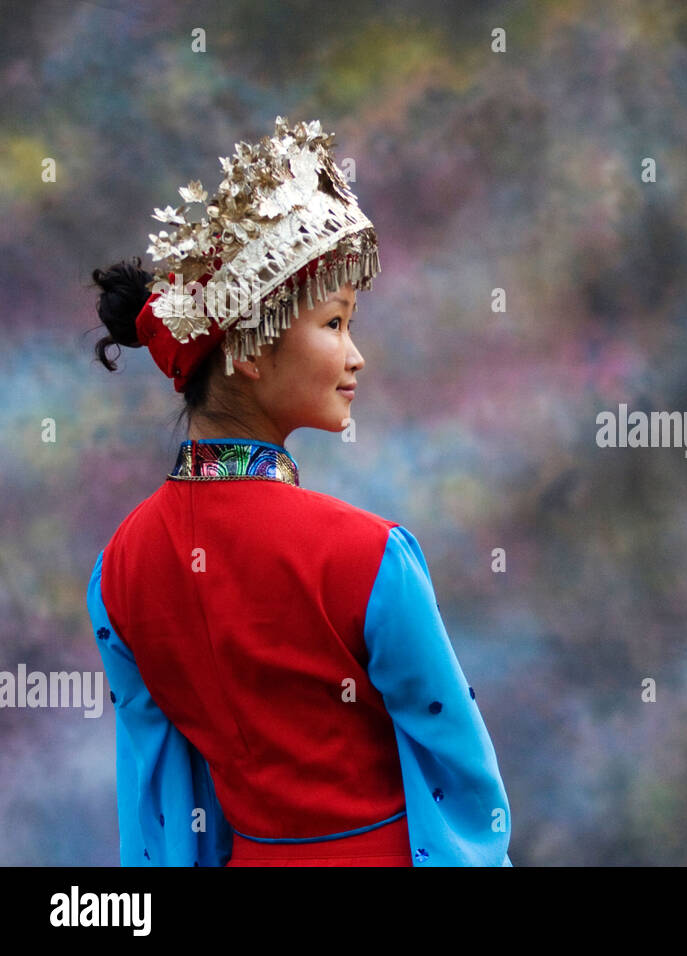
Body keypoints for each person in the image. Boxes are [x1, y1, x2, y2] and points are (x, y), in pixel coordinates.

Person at [85, 116, 512, 866]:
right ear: (249, 348)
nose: (357, 357)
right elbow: (460, 779)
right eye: (335, 322)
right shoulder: (368, 558)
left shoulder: (117, 572)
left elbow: (155, 794)